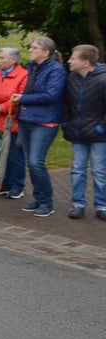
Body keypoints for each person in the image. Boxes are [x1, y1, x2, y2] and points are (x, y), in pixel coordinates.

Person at [12, 37, 66, 217]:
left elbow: (51, 95)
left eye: (34, 47)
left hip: (44, 121)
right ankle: (39, 197)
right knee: (30, 162)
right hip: (27, 119)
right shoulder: (33, 68)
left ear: (46, 52)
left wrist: (23, 98)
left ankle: (47, 202)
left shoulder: (56, 70)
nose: (30, 50)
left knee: (36, 161)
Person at [61, 44, 106, 221]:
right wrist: (66, 123)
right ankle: (78, 203)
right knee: (77, 169)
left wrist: (100, 128)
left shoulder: (103, 80)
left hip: (99, 135)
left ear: (85, 62)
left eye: (73, 58)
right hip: (78, 132)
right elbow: (66, 104)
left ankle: (102, 205)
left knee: (99, 170)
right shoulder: (72, 78)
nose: (70, 61)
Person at [0, 47, 29, 199]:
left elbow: (19, 97)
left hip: (11, 121)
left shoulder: (23, 75)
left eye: (2, 58)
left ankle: (17, 185)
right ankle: (3, 183)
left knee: (14, 155)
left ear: (13, 60)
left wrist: (0, 107)